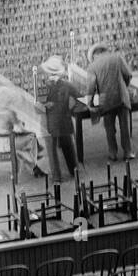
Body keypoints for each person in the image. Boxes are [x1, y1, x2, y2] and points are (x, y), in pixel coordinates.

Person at [85, 42, 135, 162]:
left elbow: (91, 87)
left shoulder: (92, 67)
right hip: (121, 96)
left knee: (109, 128)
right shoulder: (117, 57)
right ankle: (128, 152)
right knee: (124, 126)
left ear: (94, 55)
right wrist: (125, 85)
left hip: (106, 100)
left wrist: (90, 102)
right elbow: (128, 74)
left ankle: (113, 153)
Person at [41, 55, 83, 184]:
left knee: (52, 150)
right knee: (67, 145)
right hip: (65, 119)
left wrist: (46, 105)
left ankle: (57, 177)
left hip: (51, 121)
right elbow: (81, 98)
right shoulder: (67, 85)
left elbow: (45, 102)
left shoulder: (48, 85)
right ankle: (74, 170)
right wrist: (72, 109)